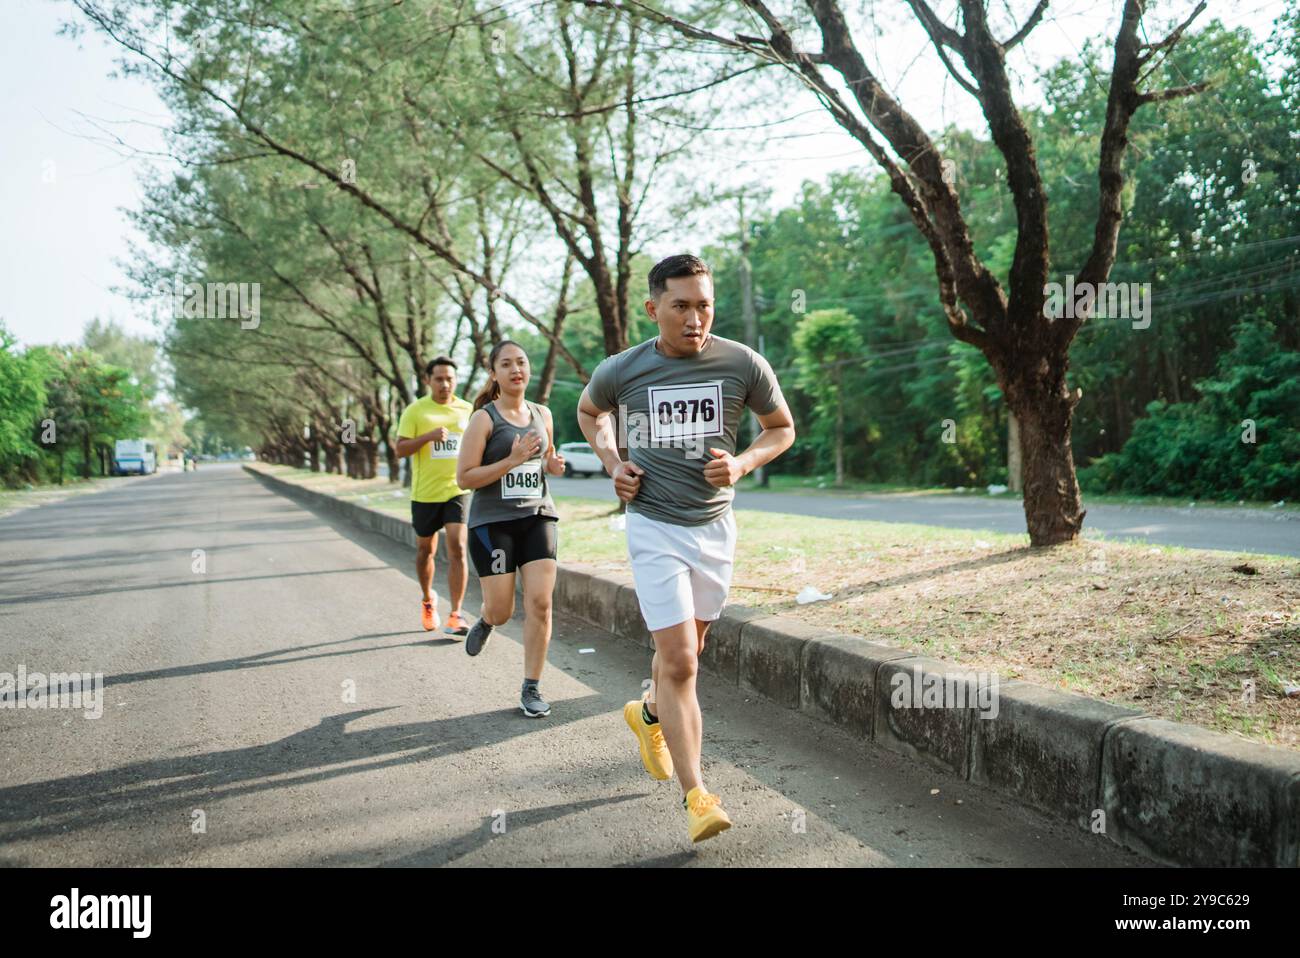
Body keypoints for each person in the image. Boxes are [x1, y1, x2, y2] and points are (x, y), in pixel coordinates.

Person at [577, 253, 795, 842]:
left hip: (715, 529)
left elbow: (782, 427)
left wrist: (744, 461)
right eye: (681, 307)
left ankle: (647, 713)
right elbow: (589, 411)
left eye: (704, 305)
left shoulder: (740, 362)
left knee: (689, 649)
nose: (695, 318)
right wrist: (612, 461)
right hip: (653, 526)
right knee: (681, 662)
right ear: (653, 309)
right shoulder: (622, 370)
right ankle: (698, 794)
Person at [456, 341, 566, 717]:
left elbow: (547, 460)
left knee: (540, 602)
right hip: (493, 524)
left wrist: (553, 465)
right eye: (506, 364)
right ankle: (488, 620)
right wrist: (512, 459)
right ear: (494, 374)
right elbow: (465, 478)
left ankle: (531, 687)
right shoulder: (484, 420)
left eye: (521, 362)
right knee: (503, 611)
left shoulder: (543, 413)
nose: (516, 369)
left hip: (538, 516)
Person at [395, 357, 475, 636]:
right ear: (428, 380)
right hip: (425, 493)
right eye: (439, 378)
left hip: (457, 489)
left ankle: (456, 614)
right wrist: (427, 437)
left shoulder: (467, 410)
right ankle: (428, 599)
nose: (445, 384)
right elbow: (400, 449)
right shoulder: (415, 411)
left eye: (450, 378)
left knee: (457, 547)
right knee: (425, 551)